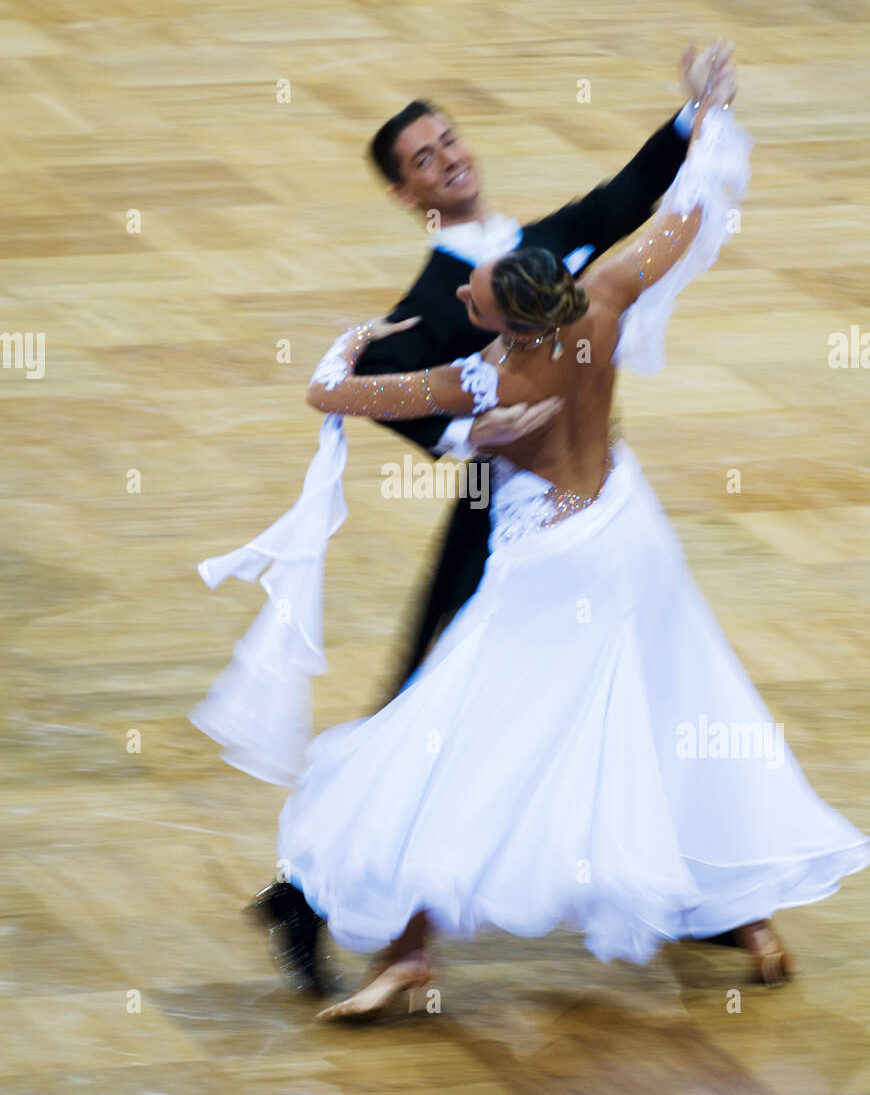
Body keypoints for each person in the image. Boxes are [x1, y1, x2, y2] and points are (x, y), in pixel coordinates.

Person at [193, 60, 870, 1019]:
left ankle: (414, 935)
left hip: (541, 552)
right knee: (667, 694)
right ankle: (719, 903)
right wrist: (713, 125)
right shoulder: (589, 290)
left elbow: (343, 389)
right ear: (405, 191)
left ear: (503, 314)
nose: (448, 160)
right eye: (423, 159)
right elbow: (675, 220)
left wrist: (362, 356)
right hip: (621, 526)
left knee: (459, 732)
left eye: (449, 139)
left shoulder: (490, 356)